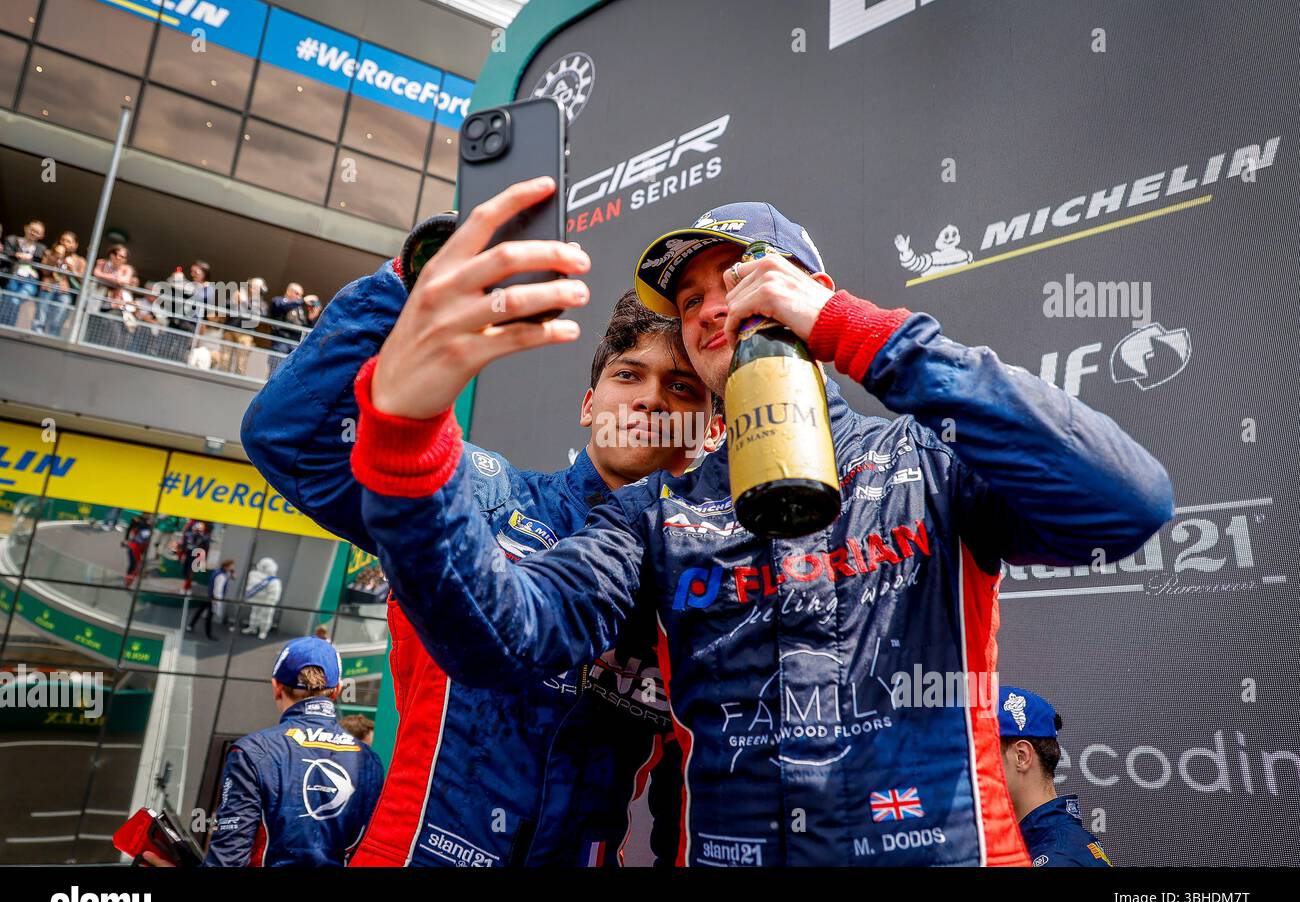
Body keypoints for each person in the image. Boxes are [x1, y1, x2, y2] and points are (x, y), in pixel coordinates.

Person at [344, 179, 1175, 866]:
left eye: (742, 280)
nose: (710, 309)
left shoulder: (927, 458)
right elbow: (509, 632)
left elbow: (1125, 504)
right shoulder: (656, 510)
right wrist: (406, 430)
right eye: (691, 299)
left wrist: (856, 331)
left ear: (809, 291)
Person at [241, 212, 717, 867]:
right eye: (628, 376)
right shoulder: (489, 491)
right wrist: (405, 288)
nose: (649, 401)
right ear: (588, 404)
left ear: (704, 431)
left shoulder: (707, 575)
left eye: (681, 388)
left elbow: (691, 805)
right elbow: (290, 443)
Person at [203, 637, 384, 866]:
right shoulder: (370, 762)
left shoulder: (252, 752)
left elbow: (227, 861)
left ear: (276, 687)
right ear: (337, 690)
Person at [998, 685, 1113, 867]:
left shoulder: (1058, 856)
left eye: (980, 753)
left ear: (1022, 756)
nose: (972, 769)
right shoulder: (1047, 845)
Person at [1, 220, 47, 327]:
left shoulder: (42, 249)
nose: (33, 233)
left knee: (14, 300)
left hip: (30, 280)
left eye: (37, 232)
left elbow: (44, 264)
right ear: (26, 228)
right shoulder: (12, 240)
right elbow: (6, 253)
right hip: (13, 275)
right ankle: (7, 327)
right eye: (32, 230)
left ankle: (6, 326)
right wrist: (17, 255)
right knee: (10, 299)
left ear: (41, 236)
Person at [188, 558, 235, 639]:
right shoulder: (221, 576)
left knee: (200, 611)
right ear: (227, 566)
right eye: (231, 566)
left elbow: (233, 577)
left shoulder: (218, 572)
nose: (232, 568)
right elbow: (218, 590)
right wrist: (217, 601)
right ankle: (208, 634)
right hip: (213, 598)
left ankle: (191, 625)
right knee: (209, 616)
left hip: (209, 596)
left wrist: (232, 573)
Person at [242, 556, 282, 640]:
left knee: (266, 617)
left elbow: (275, 593)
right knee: (254, 615)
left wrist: (271, 602)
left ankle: (263, 631)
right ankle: (252, 628)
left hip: (267, 602)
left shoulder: (274, 580)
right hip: (257, 600)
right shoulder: (254, 575)